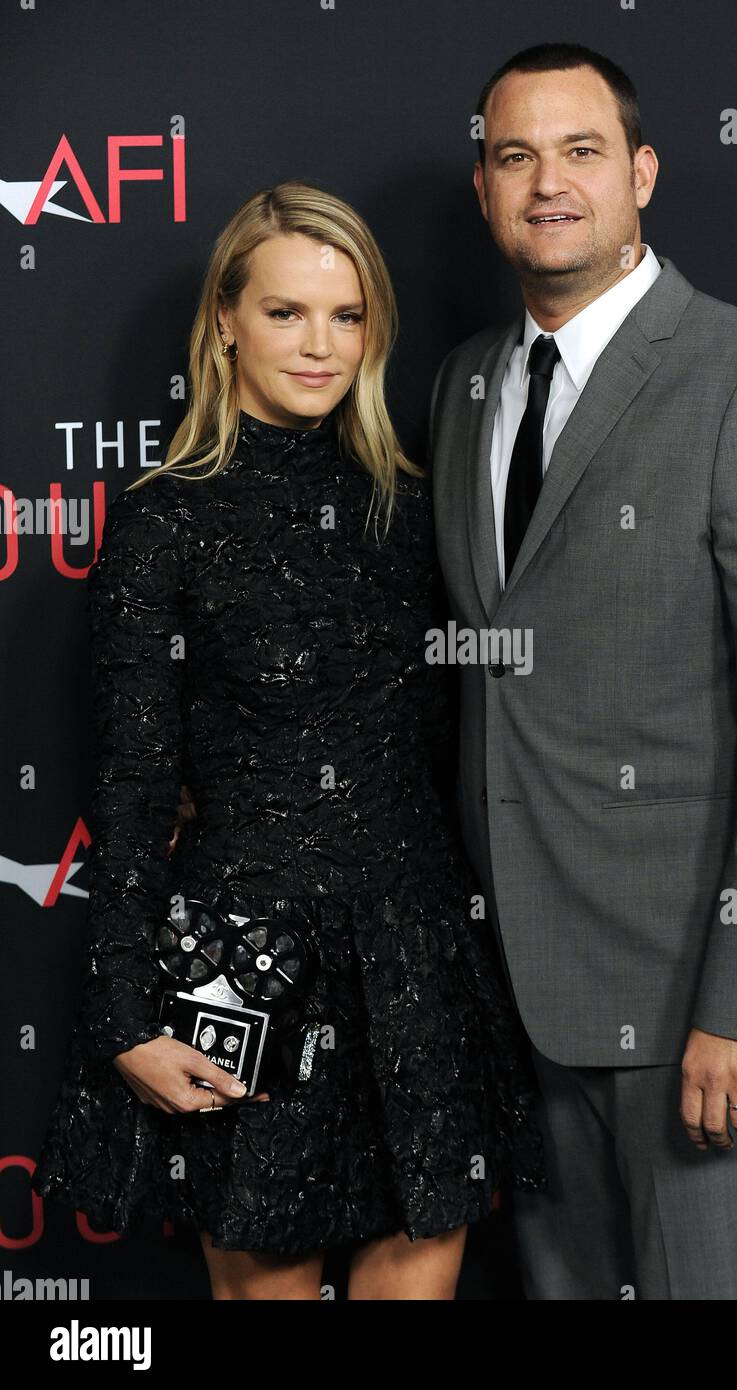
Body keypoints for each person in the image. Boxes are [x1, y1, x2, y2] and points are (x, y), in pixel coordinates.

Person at [32, 180, 545, 1301]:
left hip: (415, 964)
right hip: (246, 973)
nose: (321, 346)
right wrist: (125, 1013)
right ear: (224, 319)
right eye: (286, 313)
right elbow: (130, 784)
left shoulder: (414, 508)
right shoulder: (164, 520)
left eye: (347, 316)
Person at [428, 43, 737, 1298]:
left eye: (581, 152)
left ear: (644, 174)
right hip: (520, 998)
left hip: (698, 1012)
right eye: (516, 155)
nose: (548, 183)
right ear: (483, 188)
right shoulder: (466, 383)